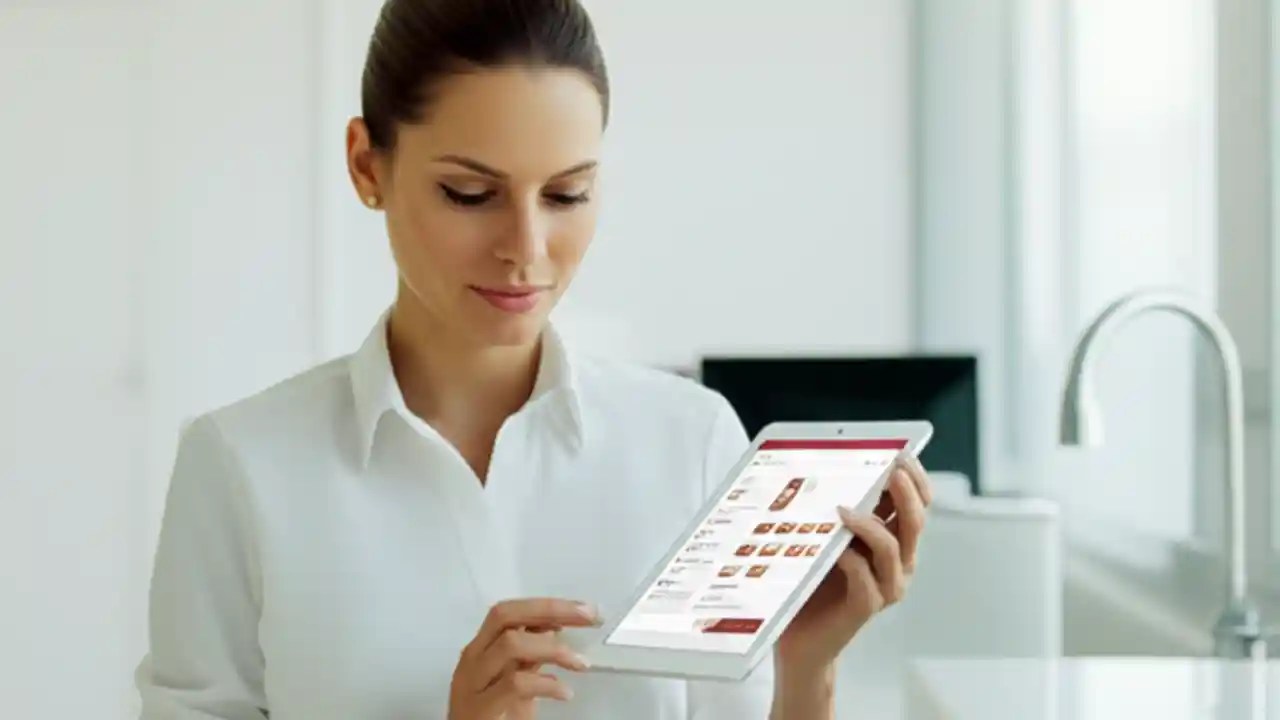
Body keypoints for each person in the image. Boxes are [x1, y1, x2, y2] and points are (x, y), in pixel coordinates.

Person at [134, 0, 934, 718]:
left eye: (565, 195)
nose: (526, 248)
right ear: (367, 165)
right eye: (470, 194)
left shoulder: (690, 443)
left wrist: (808, 670)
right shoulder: (241, 466)